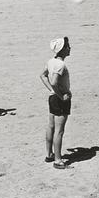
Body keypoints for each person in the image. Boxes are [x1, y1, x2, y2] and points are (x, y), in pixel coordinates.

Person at [39, 37, 73, 168]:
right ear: (63, 49)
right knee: (59, 131)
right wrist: (61, 95)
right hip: (59, 99)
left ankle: (49, 154)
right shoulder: (60, 65)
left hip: (52, 98)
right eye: (68, 46)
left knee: (51, 126)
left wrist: (51, 90)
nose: (69, 48)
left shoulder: (51, 61)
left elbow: (43, 75)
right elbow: (54, 82)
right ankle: (58, 160)